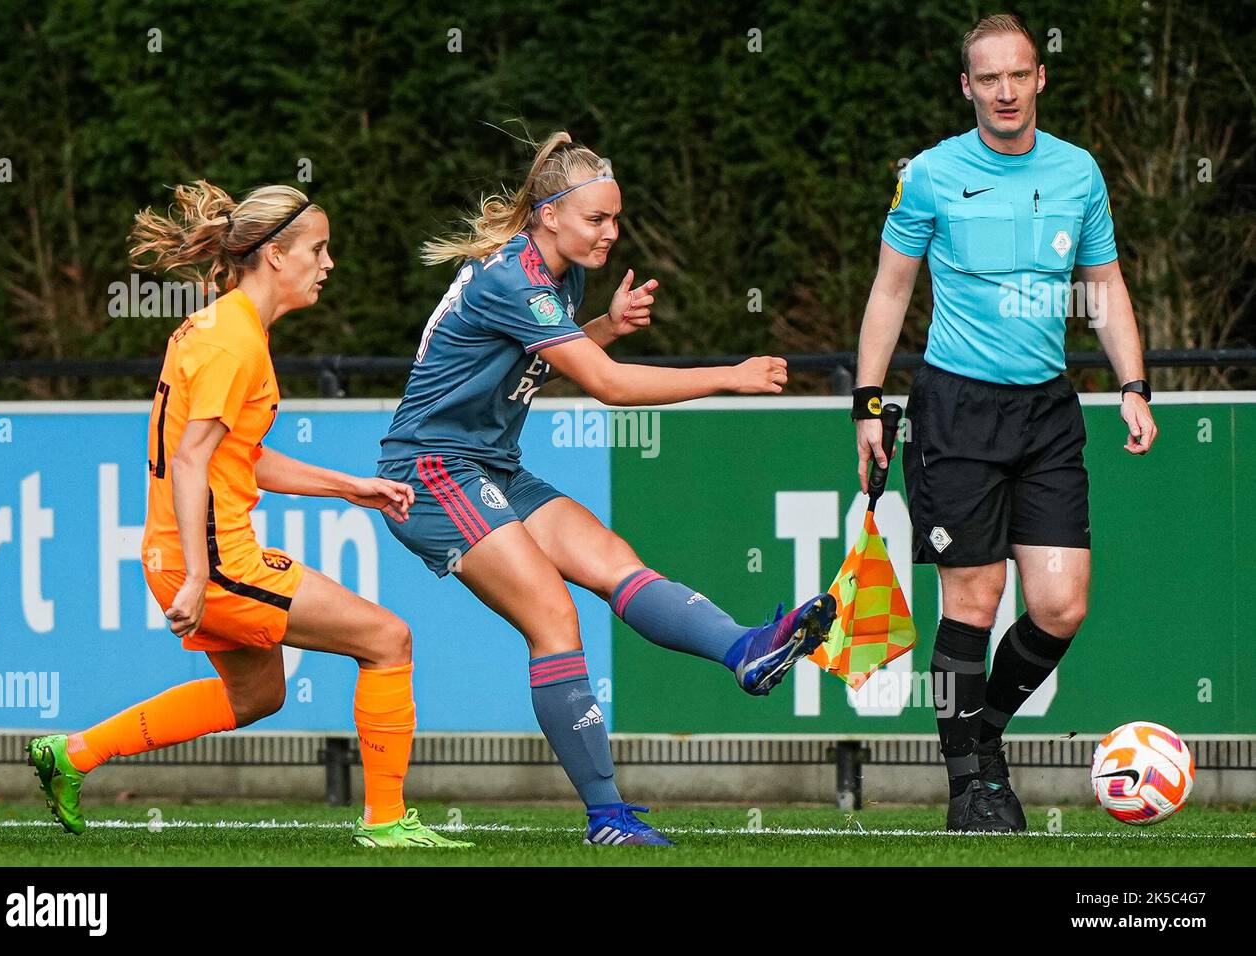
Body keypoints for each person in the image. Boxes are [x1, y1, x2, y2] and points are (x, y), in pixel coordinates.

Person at [377, 131, 835, 846]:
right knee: (554, 618)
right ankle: (607, 818)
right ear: (549, 214)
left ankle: (745, 651)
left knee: (615, 563)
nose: (612, 233)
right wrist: (728, 375)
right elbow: (608, 387)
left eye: (616, 219)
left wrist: (603, 328)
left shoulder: (559, 277)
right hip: (431, 472)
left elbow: (541, 364)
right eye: (597, 219)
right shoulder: (513, 278)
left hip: (489, 465)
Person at [27, 181, 470, 849]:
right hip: (215, 562)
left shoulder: (218, 326)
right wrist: (202, 578)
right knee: (388, 640)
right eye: (317, 250)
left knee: (256, 698)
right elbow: (190, 462)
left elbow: (237, 456)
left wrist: (349, 487)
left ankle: (74, 754)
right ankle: (386, 823)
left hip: (185, 554)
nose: (328, 264)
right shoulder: (235, 340)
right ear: (274, 256)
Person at [852, 15, 1157, 832]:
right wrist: (869, 402)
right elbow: (890, 292)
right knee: (975, 599)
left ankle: (982, 730)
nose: (1006, 91)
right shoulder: (929, 175)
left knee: (1061, 604)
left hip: (1049, 410)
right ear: (967, 87)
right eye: (989, 78)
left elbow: (1104, 286)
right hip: (956, 409)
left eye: (1018, 75)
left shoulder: (1078, 172)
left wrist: (1133, 382)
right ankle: (971, 789)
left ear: (1039, 79)